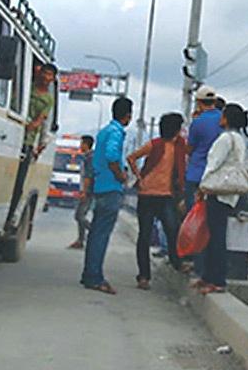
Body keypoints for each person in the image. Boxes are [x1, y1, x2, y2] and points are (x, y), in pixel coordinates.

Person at [195, 103, 248, 294]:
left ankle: (216, 279)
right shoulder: (240, 139)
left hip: (217, 191)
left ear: (227, 118)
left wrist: (202, 186)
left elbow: (213, 164)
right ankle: (211, 277)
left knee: (215, 236)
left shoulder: (225, 139)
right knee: (217, 234)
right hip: (230, 192)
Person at [126, 113, 186, 289]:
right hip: (148, 195)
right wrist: (139, 177)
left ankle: (175, 261)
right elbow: (131, 157)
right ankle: (143, 276)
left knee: (172, 229)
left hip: (165, 195)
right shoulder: (155, 144)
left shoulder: (178, 145)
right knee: (145, 235)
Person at [80, 96, 133, 294]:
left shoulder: (103, 132)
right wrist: (120, 175)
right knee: (102, 234)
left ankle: (89, 274)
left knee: (95, 233)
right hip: (111, 187)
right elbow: (112, 156)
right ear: (127, 116)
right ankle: (95, 277)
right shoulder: (116, 133)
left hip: (99, 186)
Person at [7, 63, 57, 227]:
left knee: (19, 184)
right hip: (12, 134)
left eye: (49, 75)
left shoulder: (48, 99)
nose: (45, 77)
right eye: (44, 73)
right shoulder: (27, 88)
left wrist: (35, 131)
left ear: (53, 79)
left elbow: (42, 120)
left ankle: (11, 218)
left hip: (27, 141)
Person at [183, 85, 223, 275]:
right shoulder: (223, 120)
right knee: (213, 224)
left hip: (196, 176)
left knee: (196, 223)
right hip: (216, 180)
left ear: (198, 102)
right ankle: (210, 269)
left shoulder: (197, 123)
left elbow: (189, 149)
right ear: (214, 101)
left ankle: (198, 266)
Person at [68, 135, 94, 250]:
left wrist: (84, 192)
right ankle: (80, 240)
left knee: (79, 215)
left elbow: (88, 176)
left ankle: (93, 231)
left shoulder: (89, 158)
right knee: (80, 215)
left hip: (88, 192)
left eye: (81, 143)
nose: (80, 145)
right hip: (87, 190)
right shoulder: (88, 156)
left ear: (86, 144)